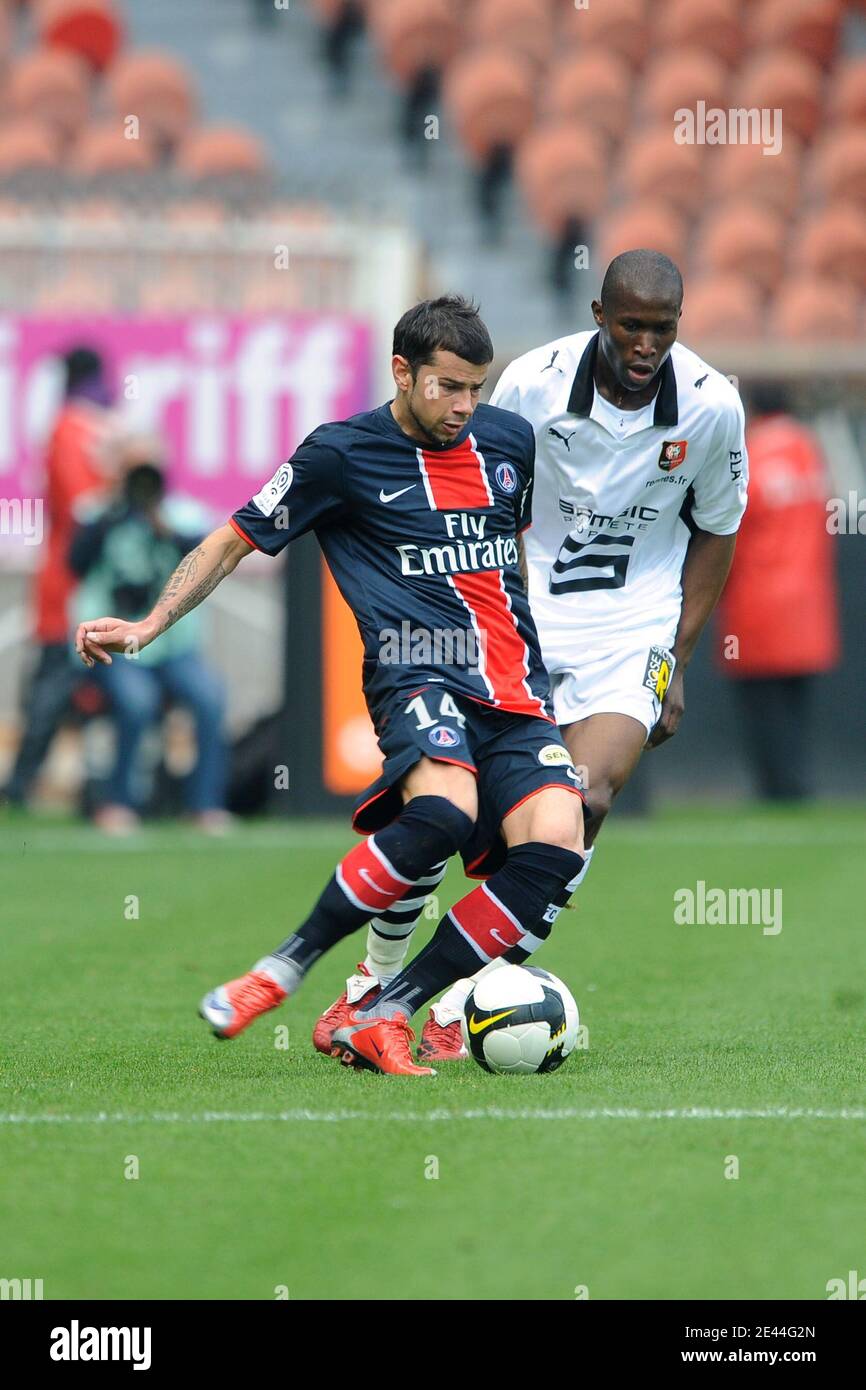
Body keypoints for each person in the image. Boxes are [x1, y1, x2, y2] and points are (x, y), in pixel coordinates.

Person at [74, 296, 586, 1077]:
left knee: (559, 843)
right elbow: (230, 540)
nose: (465, 407)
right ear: (402, 372)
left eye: (476, 389)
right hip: (414, 669)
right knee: (446, 811)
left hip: (514, 689)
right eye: (448, 387)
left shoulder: (510, 443)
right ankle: (279, 970)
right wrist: (149, 624)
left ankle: (383, 1009)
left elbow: (505, 555)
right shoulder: (339, 455)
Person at [313, 250, 751, 1062]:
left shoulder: (713, 404)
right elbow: (464, 483)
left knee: (580, 805)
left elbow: (719, 529)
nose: (646, 343)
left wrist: (679, 657)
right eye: (631, 326)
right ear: (598, 314)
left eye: (662, 328)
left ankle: (457, 1003)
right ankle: (369, 983)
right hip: (522, 620)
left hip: (634, 629)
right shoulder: (532, 384)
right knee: (451, 814)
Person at [70, 435, 231, 835]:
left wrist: (160, 524)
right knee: (136, 701)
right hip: (114, 648)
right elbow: (75, 563)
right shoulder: (96, 511)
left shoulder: (182, 515)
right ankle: (118, 803)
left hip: (172, 647)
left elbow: (203, 560)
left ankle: (204, 805)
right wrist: (116, 511)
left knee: (210, 697)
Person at [3, 346, 118, 808]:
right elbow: (82, 506)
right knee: (52, 689)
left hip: (89, 587)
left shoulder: (89, 430)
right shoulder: (70, 430)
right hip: (67, 587)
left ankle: (89, 789)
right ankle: (20, 785)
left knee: (88, 688)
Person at [715, 382, 839, 799]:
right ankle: (796, 783)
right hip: (808, 599)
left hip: (757, 600)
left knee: (762, 704)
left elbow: (729, 529)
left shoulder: (748, 455)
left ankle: (778, 788)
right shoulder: (810, 450)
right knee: (795, 702)